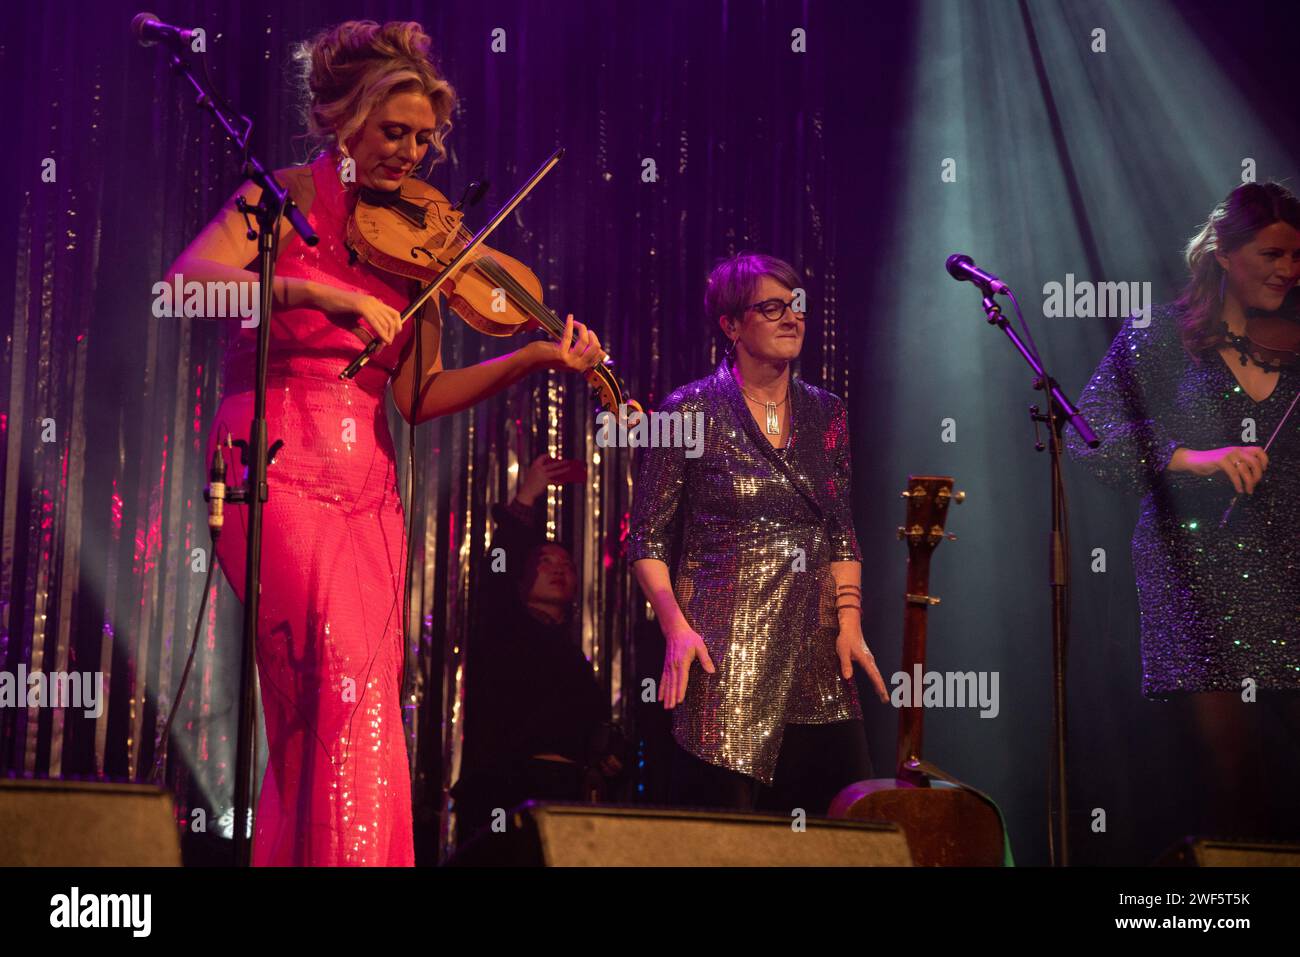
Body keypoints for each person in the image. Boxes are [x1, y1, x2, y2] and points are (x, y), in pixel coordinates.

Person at [165, 19, 605, 865]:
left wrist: (531, 356)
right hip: (276, 468)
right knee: (330, 683)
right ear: (344, 124)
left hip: (369, 495)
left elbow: (419, 397)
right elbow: (183, 289)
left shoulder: (415, 241)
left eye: (423, 138)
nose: (410, 153)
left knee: (350, 706)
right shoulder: (279, 198)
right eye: (392, 134)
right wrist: (310, 293)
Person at [1067, 181, 1300, 839]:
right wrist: (1196, 458)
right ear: (1224, 252)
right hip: (1195, 571)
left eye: (1297, 256)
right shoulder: (1160, 336)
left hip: (1289, 564)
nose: (1289, 270)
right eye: (1272, 253)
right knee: (1234, 777)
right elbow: (1090, 437)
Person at [628, 252, 889, 816]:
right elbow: (646, 538)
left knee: (845, 824)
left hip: (817, 652)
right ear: (731, 324)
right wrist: (675, 627)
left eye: (797, 306)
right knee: (730, 833)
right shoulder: (688, 410)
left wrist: (849, 622)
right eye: (772, 308)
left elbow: (840, 528)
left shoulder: (828, 413)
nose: (792, 318)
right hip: (727, 658)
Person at [454, 455, 623, 845]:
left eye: (567, 564)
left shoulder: (575, 660)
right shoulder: (501, 625)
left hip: (567, 801)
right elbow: (496, 570)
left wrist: (611, 757)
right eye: (545, 562)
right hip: (506, 795)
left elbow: (595, 732)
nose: (559, 569)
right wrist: (527, 495)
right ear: (520, 578)